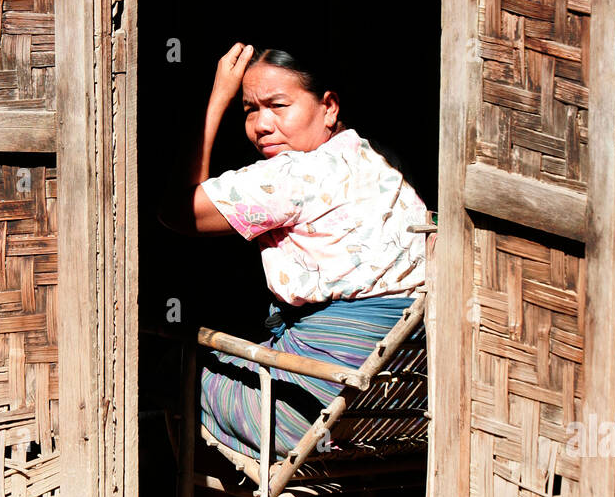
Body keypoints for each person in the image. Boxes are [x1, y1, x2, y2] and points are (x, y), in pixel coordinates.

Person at [159, 42, 428, 461]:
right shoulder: (379, 163)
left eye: (278, 105)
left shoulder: (292, 174)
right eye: (248, 109)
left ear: (329, 107)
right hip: (395, 407)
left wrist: (216, 101)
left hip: (312, 411)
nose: (261, 125)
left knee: (184, 372)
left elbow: (177, 212)